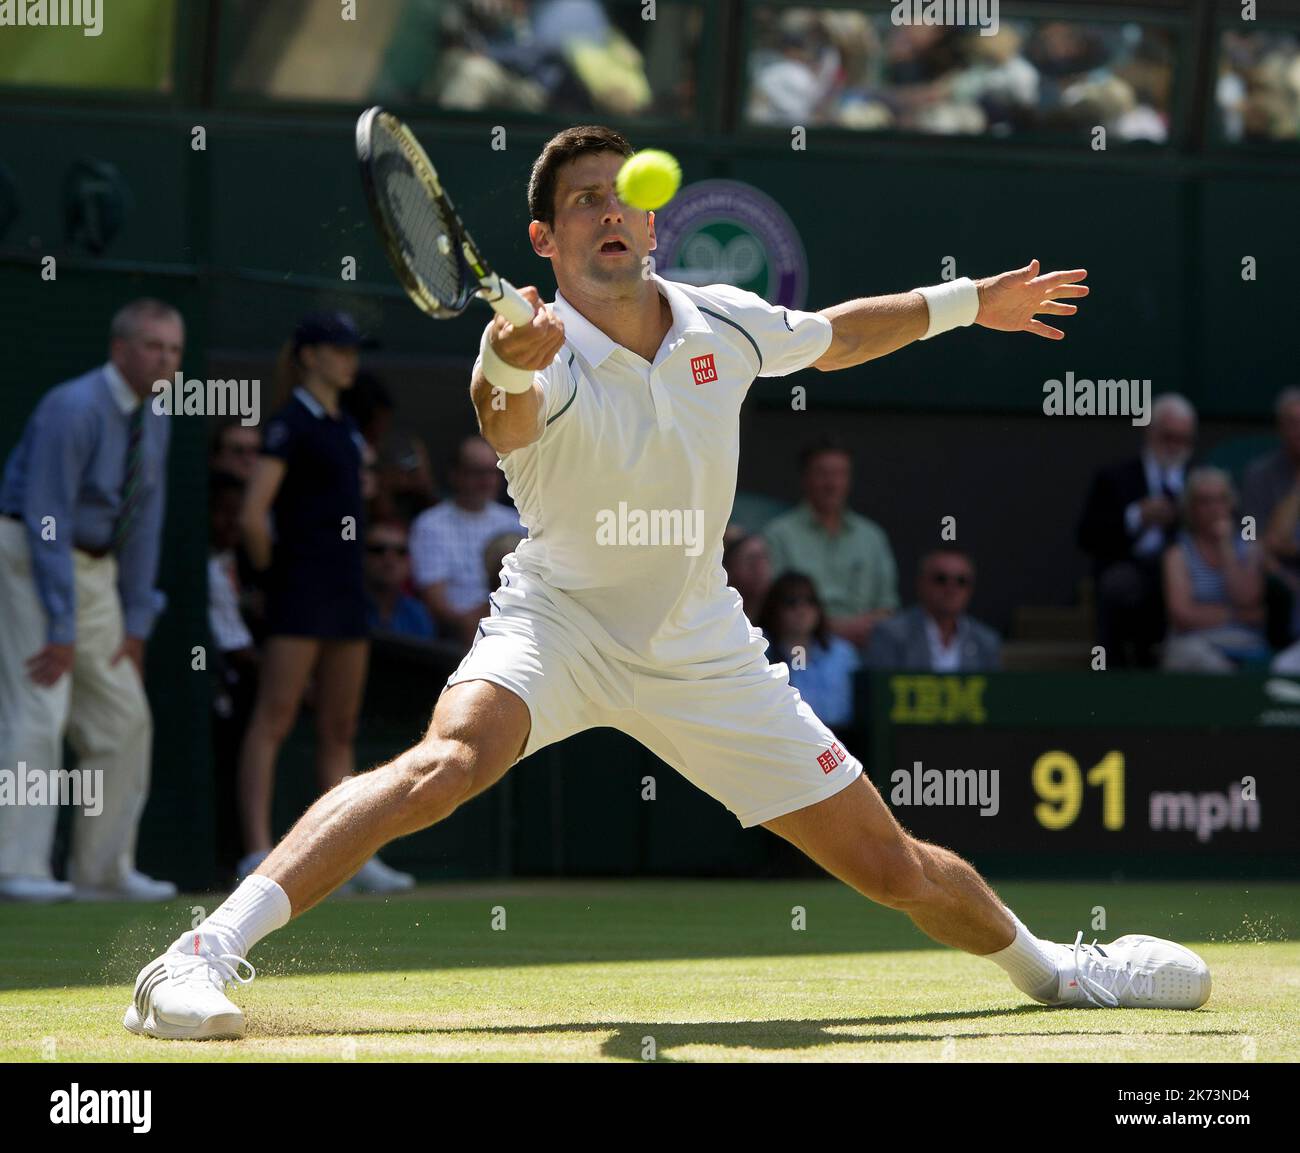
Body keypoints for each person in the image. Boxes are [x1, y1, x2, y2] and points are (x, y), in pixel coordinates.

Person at [125, 125, 1210, 1043]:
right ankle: (197, 955)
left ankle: (1058, 968)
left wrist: (972, 301)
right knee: (446, 761)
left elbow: (834, 339)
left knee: (892, 867)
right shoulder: (526, 353)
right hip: (558, 626)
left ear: (649, 223)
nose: (610, 212)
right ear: (545, 240)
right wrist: (509, 356)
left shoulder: (724, 320)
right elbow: (500, 416)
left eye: (622, 198)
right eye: (581, 202)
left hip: (703, 645)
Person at [0, 299, 180, 902]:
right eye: (154, 347)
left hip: (97, 573)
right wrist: (60, 622)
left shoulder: (157, 416)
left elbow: (146, 523)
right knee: (40, 708)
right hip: (29, 557)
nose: (167, 360)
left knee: (125, 718)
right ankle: (15, 868)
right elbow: (46, 517)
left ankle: (102, 872)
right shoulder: (71, 408)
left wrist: (136, 623)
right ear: (121, 349)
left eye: (175, 349)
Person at [234, 312, 413, 895]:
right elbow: (253, 515)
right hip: (301, 595)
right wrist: (274, 575)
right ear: (309, 356)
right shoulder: (290, 425)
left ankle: (345, 857)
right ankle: (258, 853)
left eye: (352, 349)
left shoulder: (346, 427)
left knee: (339, 728)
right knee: (275, 719)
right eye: (337, 349)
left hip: (345, 595)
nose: (349, 359)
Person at [1077, 393, 1198, 666]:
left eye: (1184, 439)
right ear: (1150, 431)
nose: (1176, 446)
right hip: (1131, 567)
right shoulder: (1115, 477)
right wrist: (1137, 516)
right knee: (1118, 585)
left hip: (1189, 572)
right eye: (1169, 437)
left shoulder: (1201, 479)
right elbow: (1087, 535)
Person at [763, 436, 899, 650]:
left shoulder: (872, 537)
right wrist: (831, 629)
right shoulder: (778, 534)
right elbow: (772, 607)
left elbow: (888, 608)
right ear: (805, 478)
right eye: (822, 474)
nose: (831, 484)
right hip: (800, 648)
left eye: (840, 474)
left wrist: (861, 629)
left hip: (864, 650)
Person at [409, 436, 523, 648]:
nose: (487, 481)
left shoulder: (517, 523)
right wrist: (475, 625)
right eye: (477, 472)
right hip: (454, 639)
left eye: (493, 472)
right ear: (455, 475)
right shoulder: (429, 525)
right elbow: (436, 603)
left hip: (514, 628)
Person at [1161, 467, 1269, 672]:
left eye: (1221, 499)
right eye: (1205, 501)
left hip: (1243, 641)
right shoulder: (1177, 554)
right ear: (1191, 508)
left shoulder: (1250, 547)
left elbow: (1247, 598)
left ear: (1231, 503)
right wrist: (1238, 616)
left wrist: (1225, 546)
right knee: (1193, 655)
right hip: (1193, 644)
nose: (1214, 508)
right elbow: (1182, 615)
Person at [863, 547, 1001, 672]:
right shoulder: (890, 635)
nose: (951, 588)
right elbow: (880, 694)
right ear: (921, 583)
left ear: (970, 589)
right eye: (941, 579)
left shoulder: (986, 641)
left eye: (961, 581)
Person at [757, 571, 860, 729]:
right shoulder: (759, 653)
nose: (801, 609)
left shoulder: (843, 654)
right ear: (775, 609)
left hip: (845, 743)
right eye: (791, 602)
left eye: (809, 601)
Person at [1242, 387, 1300, 644]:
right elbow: (1250, 535)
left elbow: (1279, 541)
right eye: (1292, 423)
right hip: (1276, 574)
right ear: (1280, 427)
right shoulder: (1258, 475)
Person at [365, 520, 436, 639]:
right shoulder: (346, 608)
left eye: (400, 552)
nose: (389, 559)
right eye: (378, 550)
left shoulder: (417, 614)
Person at [722, 532, 773, 622]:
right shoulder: (720, 617)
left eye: (764, 558)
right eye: (751, 559)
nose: (760, 566)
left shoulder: (780, 618)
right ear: (729, 569)